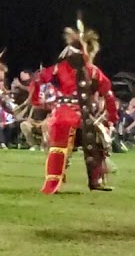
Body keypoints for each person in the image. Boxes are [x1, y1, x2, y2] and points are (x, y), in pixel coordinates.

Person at [33, 22, 118, 193]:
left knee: (60, 147)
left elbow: (38, 79)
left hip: (62, 115)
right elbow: (108, 94)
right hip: (81, 117)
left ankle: (54, 181)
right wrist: (112, 118)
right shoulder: (93, 71)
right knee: (98, 141)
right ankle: (96, 180)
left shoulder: (58, 69)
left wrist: (37, 101)